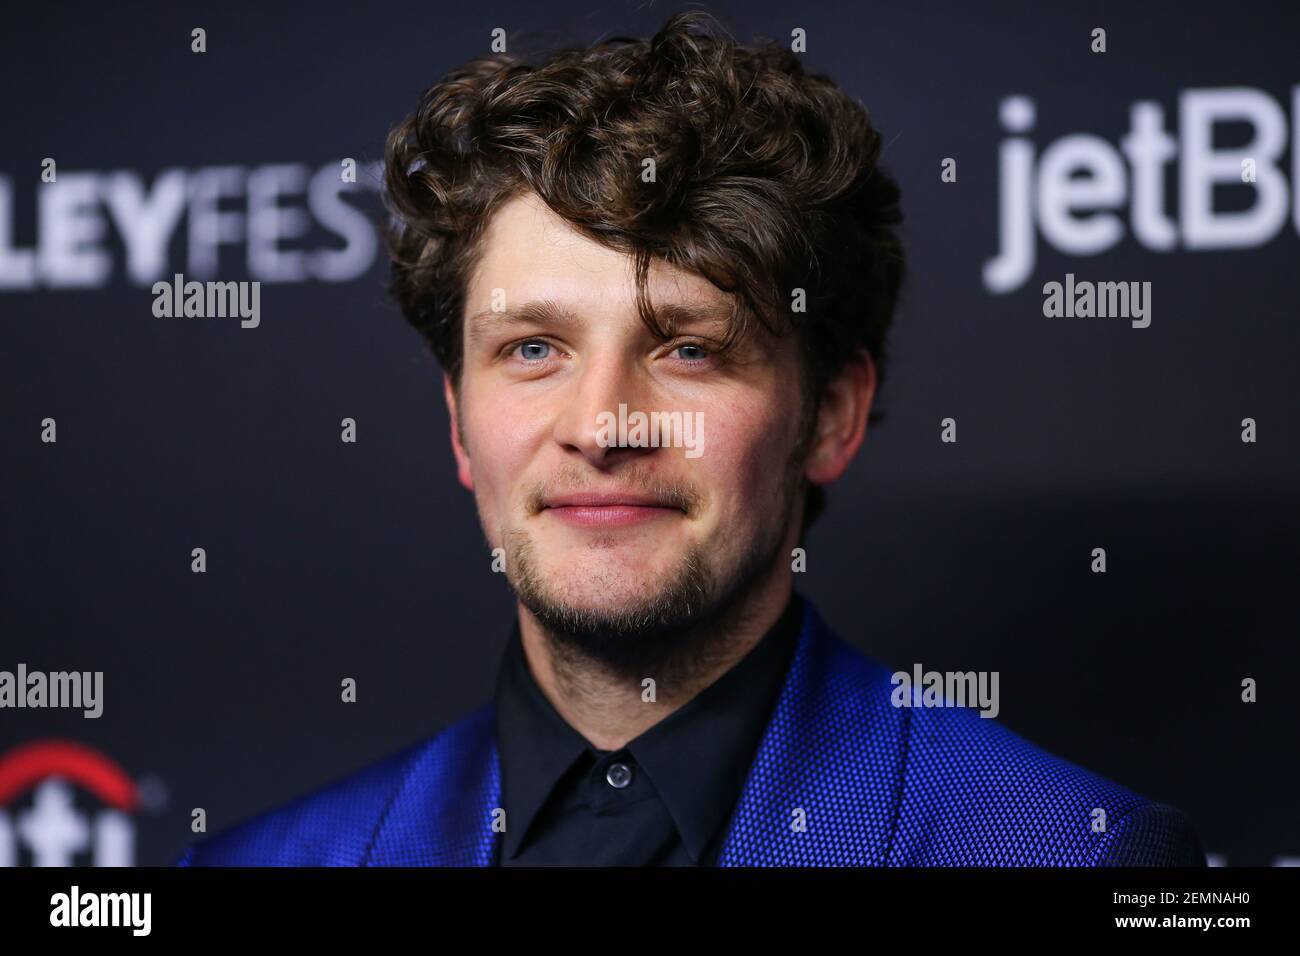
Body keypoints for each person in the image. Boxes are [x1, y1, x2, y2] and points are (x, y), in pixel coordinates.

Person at [178, 11, 1203, 867]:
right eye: (534, 348)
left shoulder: (1071, 852)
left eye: (688, 349)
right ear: (458, 421)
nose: (601, 425)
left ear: (830, 415)